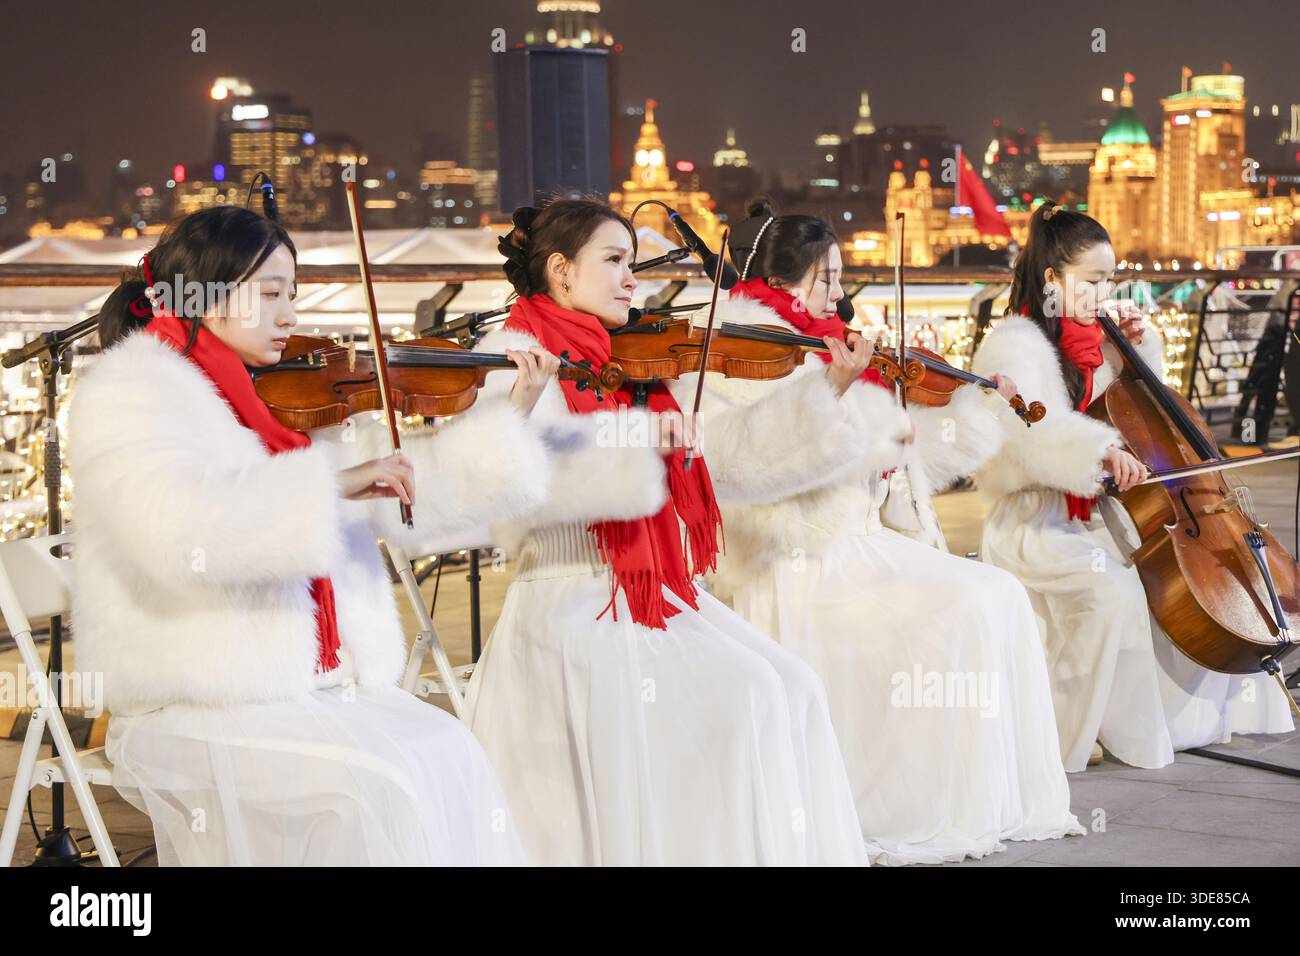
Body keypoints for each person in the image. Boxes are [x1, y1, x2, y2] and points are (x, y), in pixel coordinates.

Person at [69, 206, 557, 865]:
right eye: (268, 294)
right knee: (384, 784)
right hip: (198, 697)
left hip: (314, 686)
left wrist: (514, 411)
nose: (290, 317)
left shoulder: (289, 398)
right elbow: (177, 533)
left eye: (291, 295)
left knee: (454, 754)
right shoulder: (131, 391)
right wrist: (328, 485)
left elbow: (412, 498)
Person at [463, 198, 868, 866]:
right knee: (749, 693)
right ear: (561, 272)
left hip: (646, 588)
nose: (633, 279)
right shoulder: (512, 356)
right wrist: (603, 429)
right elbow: (501, 489)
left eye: (632, 262)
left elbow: (729, 464)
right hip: (567, 600)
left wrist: (827, 392)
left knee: (794, 685)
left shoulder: (632, 364)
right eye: (615, 261)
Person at [677, 199, 1083, 864]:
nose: (841, 296)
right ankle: (906, 805)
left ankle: (982, 801)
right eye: (826, 280)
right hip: (798, 557)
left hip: (866, 544)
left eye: (840, 279)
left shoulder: (829, 350)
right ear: (779, 282)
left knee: (998, 595)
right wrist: (831, 400)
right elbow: (747, 468)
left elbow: (910, 462)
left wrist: (970, 403)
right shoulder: (734, 353)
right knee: (962, 611)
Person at [970, 201, 1294, 772]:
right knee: (1116, 592)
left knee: (1185, 578)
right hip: (1038, 519)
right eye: (1092, 280)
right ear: (1053, 278)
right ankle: (1079, 737)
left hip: (1099, 514)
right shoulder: (1014, 345)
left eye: (1110, 280)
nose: (1104, 293)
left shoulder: (1099, 341)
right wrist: (1100, 452)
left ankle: (1190, 720)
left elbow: (1142, 421)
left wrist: (1138, 355)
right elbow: (1031, 437)